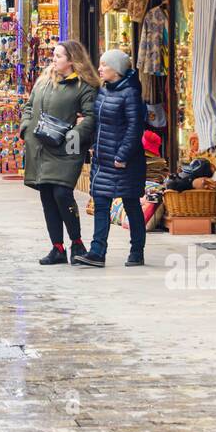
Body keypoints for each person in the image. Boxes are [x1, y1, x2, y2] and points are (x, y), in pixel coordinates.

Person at [21, 41, 99, 265]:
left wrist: (73, 135)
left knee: (62, 193)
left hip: (67, 148)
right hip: (39, 147)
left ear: (72, 60)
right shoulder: (44, 80)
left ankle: (77, 243)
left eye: (58, 56)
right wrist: (26, 128)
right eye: (54, 55)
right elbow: (29, 106)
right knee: (46, 195)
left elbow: (91, 117)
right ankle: (57, 248)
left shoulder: (84, 85)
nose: (53, 59)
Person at [76, 49, 148, 268]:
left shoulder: (131, 93)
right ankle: (97, 251)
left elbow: (135, 128)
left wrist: (122, 155)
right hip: (103, 157)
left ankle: (137, 251)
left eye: (104, 65)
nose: (99, 69)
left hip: (124, 161)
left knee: (131, 203)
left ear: (116, 69)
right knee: (100, 203)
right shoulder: (104, 90)